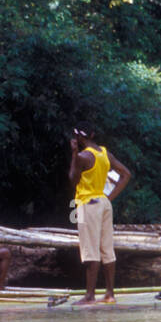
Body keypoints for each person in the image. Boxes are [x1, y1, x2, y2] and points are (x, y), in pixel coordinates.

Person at [67, 126, 132, 305]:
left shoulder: (83, 157)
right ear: (93, 135)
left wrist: (74, 154)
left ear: (78, 138)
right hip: (103, 203)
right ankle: (110, 294)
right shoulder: (104, 153)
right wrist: (109, 198)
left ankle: (89, 296)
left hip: (87, 204)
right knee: (107, 249)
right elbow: (126, 174)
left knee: (90, 250)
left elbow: (73, 180)